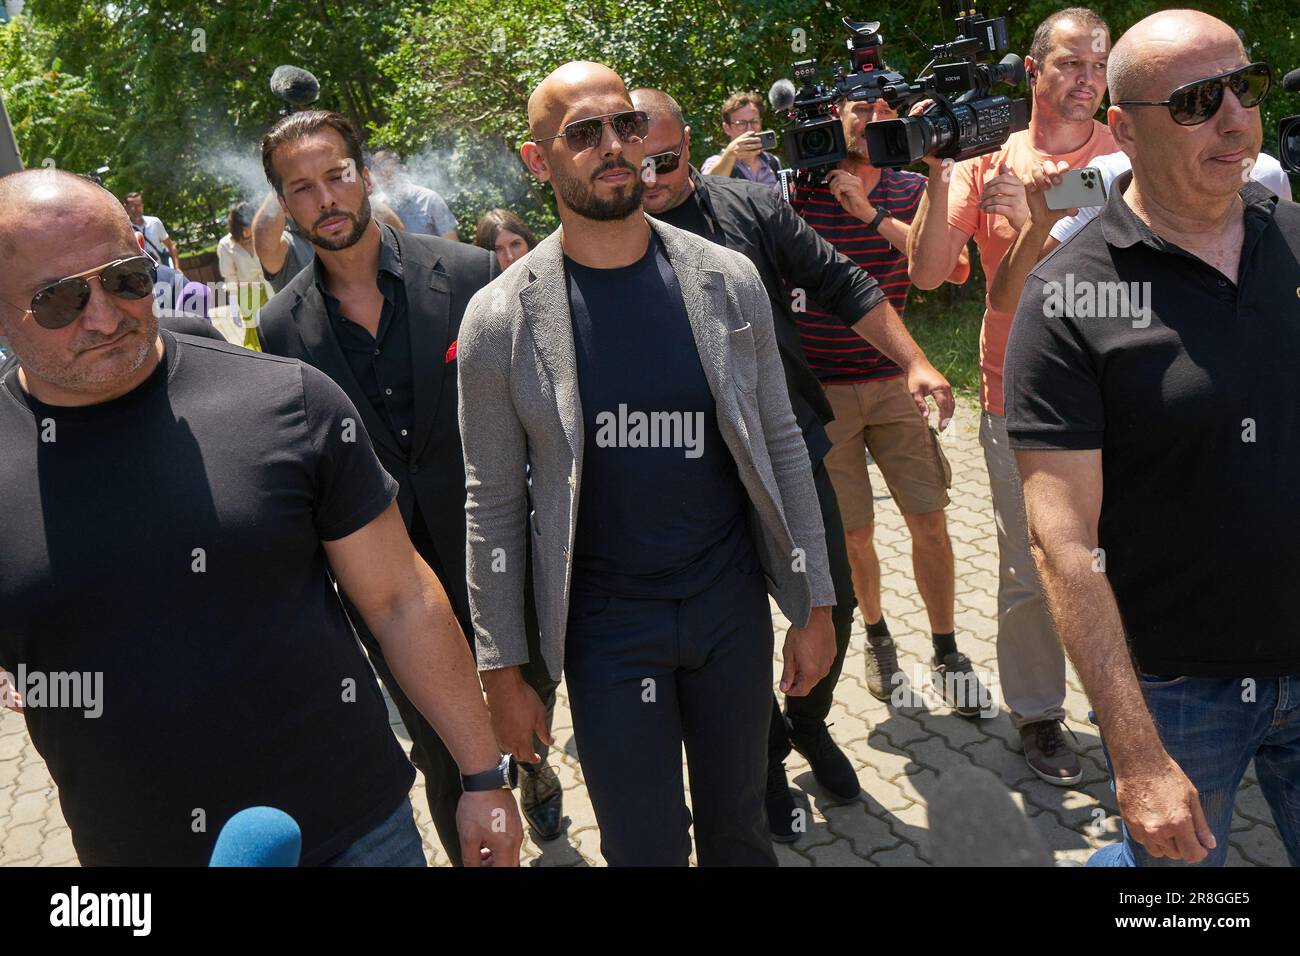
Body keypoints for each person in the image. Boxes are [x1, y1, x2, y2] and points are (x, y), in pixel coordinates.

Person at [0, 168, 522, 867]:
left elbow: (401, 600)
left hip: (359, 834)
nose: (104, 315)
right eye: (59, 299)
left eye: (125, 279)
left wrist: (482, 776)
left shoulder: (288, 400)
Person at [460, 61, 837, 866]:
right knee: (643, 845)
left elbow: (781, 443)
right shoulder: (500, 322)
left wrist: (815, 600)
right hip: (604, 629)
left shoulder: (725, 281)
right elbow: (489, 503)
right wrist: (501, 668)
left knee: (742, 828)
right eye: (583, 133)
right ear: (538, 160)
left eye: (625, 126)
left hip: (729, 606)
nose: (613, 147)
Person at [1005, 9, 1299, 867]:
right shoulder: (1070, 298)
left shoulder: (1292, 236)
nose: (1235, 118)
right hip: (1177, 691)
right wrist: (1134, 754)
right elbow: (1061, 540)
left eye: (1244, 87)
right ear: (1125, 130)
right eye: (1198, 100)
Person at [630, 87, 956, 839]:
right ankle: (768, 757)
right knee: (731, 631)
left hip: (784, 445)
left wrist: (913, 362)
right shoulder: (609, 230)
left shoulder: (748, 208)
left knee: (828, 604)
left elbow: (842, 281)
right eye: (638, 162)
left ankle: (808, 720)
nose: (652, 177)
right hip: (687, 472)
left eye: (667, 159)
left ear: (690, 144)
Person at [255, 111, 565, 857]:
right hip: (385, 583)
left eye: (336, 175)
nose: (325, 198)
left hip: (496, 551)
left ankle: (534, 766)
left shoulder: (464, 272)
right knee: (439, 752)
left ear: (365, 175)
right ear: (284, 205)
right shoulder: (280, 327)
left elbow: (532, 410)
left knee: (522, 710)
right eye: (302, 188)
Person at [907, 6, 1116, 786]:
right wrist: (935, 166)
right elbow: (933, 276)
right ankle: (1038, 714)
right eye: (1069, 64)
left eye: (1097, 66)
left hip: (1121, 390)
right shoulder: (986, 161)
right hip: (1019, 393)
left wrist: (1046, 209)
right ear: (1033, 71)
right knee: (1032, 564)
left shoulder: (1127, 149)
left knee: (1118, 554)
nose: (1085, 80)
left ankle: (1123, 694)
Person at [790, 88, 984, 719]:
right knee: (855, 531)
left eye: (882, 110)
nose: (871, 119)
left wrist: (873, 212)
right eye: (857, 108)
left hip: (897, 379)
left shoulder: (907, 188)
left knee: (930, 519)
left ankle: (948, 648)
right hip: (824, 390)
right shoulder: (799, 192)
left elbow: (951, 272)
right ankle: (876, 636)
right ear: (832, 119)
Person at [987, 147, 1292, 314]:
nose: (1227, 115)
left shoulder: (1265, 174)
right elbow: (1009, 300)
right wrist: (1036, 223)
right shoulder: (1103, 179)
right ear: (1125, 124)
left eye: (1240, 89)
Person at [253, 187, 407, 295]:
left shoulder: (348, 232)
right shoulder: (290, 243)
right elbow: (265, 245)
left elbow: (397, 235)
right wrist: (281, 177)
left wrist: (357, 186)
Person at [370, 149, 460, 240]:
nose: (385, 176)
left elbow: (452, 244)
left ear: (402, 169)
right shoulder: (376, 206)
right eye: (379, 172)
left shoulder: (429, 199)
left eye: (390, 171)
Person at [216, 202, 269, 350]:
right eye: (244, 230)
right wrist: (233, 306)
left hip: (270, 288)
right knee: (256, 332)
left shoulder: (263, 235)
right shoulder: (225, 245)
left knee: (275, 325)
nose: (248, 234)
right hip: (247, 295)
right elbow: (230, 277)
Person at [699, 91, 781, 186]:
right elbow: (709, 188)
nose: (750, 130)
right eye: (741, 123)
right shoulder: (714, 162)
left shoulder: (773, 162)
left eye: (754, 121)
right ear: (727, 128)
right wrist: (730, 155)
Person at [124, 191, 180, 269]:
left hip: (163, 269)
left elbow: (171, 246)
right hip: (142, 275)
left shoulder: (154, 222)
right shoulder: (125, 229)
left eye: (139, 205)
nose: (137, 209)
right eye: (133, 206)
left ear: (142, 205)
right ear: (126, 207)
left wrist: (177, 268)